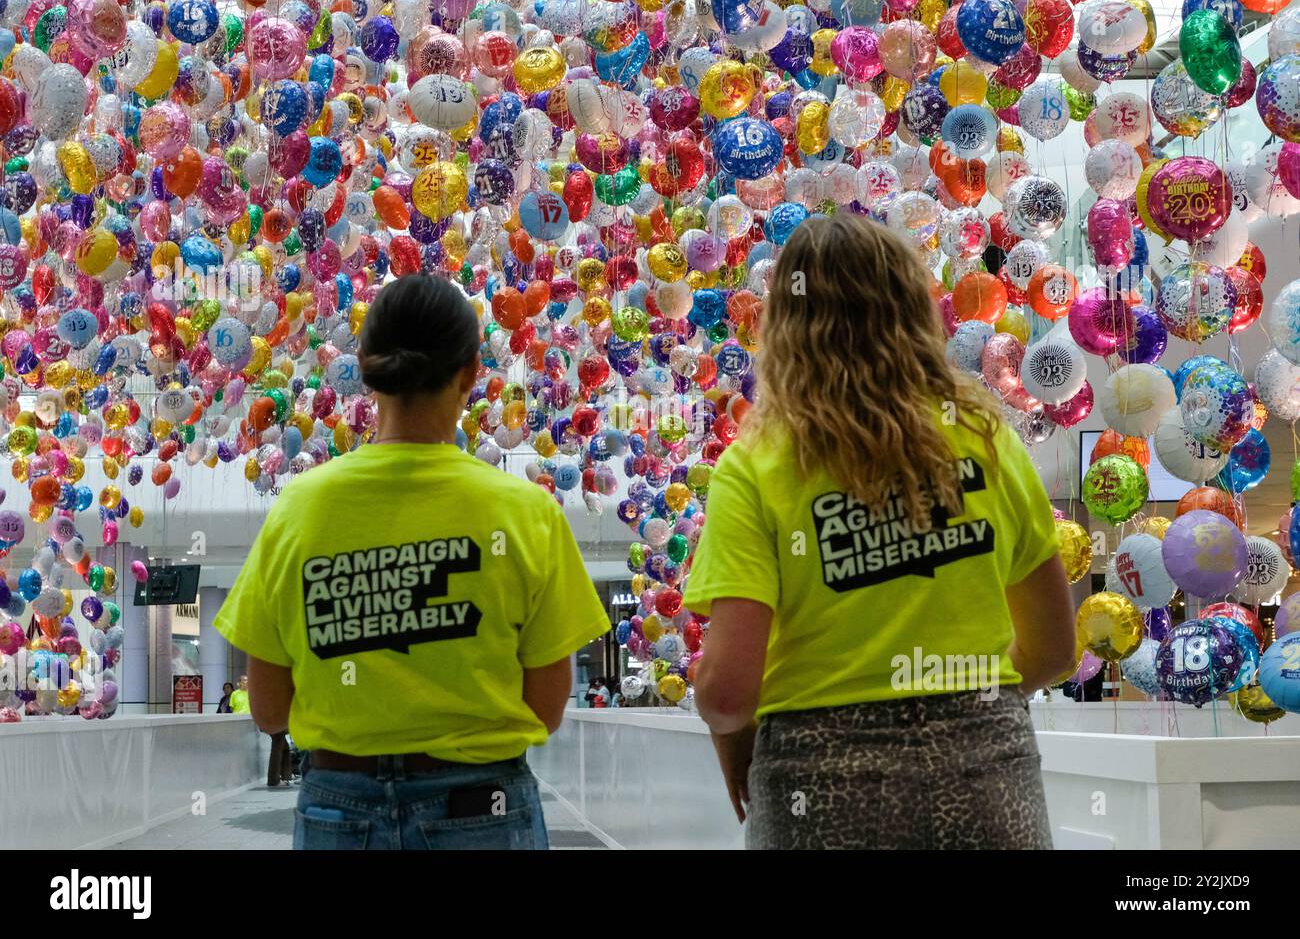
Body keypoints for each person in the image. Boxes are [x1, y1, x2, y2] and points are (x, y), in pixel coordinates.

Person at [683, 215, 1075, 850]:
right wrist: (969, 703)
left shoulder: (757, 463)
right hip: (987, 775)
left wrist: (734, 744)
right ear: (913, 314)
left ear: (783, 327)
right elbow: (1055, 650)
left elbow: (729, 693)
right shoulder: (982, 435)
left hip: (824, 780)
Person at [215, 273, 610, 849]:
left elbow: (270, 709)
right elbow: (547, 708)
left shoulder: (298, 509)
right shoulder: (526, 512)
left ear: (366, 365)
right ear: (473, 371)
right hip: (485, 810)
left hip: (337, 807)